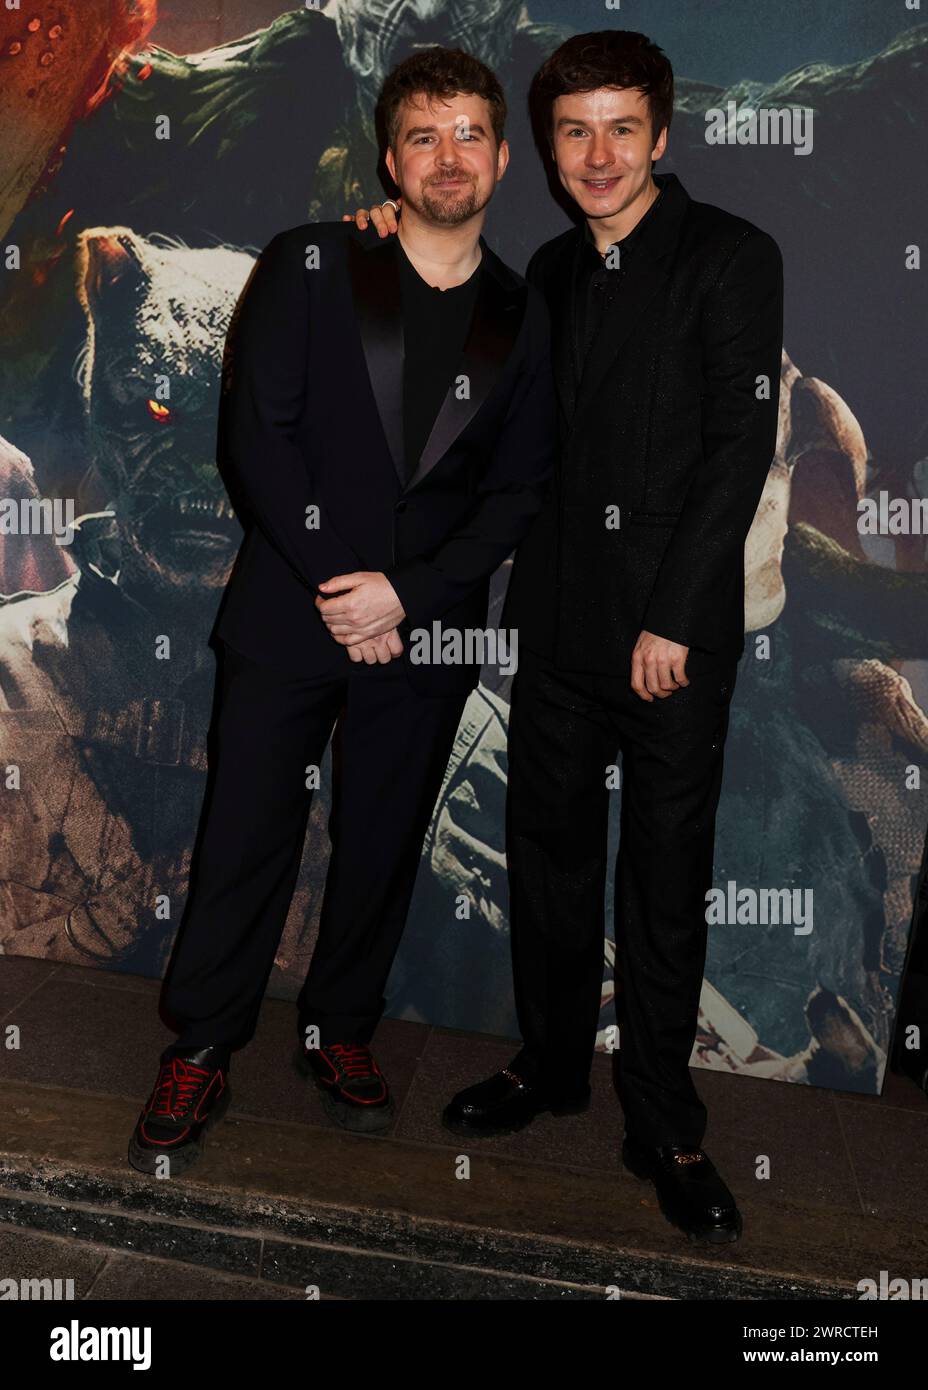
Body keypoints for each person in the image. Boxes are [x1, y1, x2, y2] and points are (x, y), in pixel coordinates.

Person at [350, 29, 784, 1244]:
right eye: (573, 131)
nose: (597, 155)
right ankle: (548, 1067)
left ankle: (665, 1123)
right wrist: (385, 247)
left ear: (662, 133)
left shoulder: (730, 258)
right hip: (548, 626)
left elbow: (734, 454)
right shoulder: (539, 270)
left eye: (621, 128)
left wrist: (673, 618)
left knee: (660, 880)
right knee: (543, 856)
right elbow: (473, 405)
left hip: (670, 642)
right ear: (547, 146)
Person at [128, 45, 556, 1176]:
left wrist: (405, 598)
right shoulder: (313, 262)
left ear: (502, 157)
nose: (447, 155)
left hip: (422, 633)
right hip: (287, 610)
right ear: (390, 156)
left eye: (468, 133)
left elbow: (517, 492)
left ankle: (341, 1029)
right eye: (423, 135)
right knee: (243, 836)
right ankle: (205, 1040)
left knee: (379, 840)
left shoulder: (526, 314)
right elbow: (253, 438)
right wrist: (342, 585)